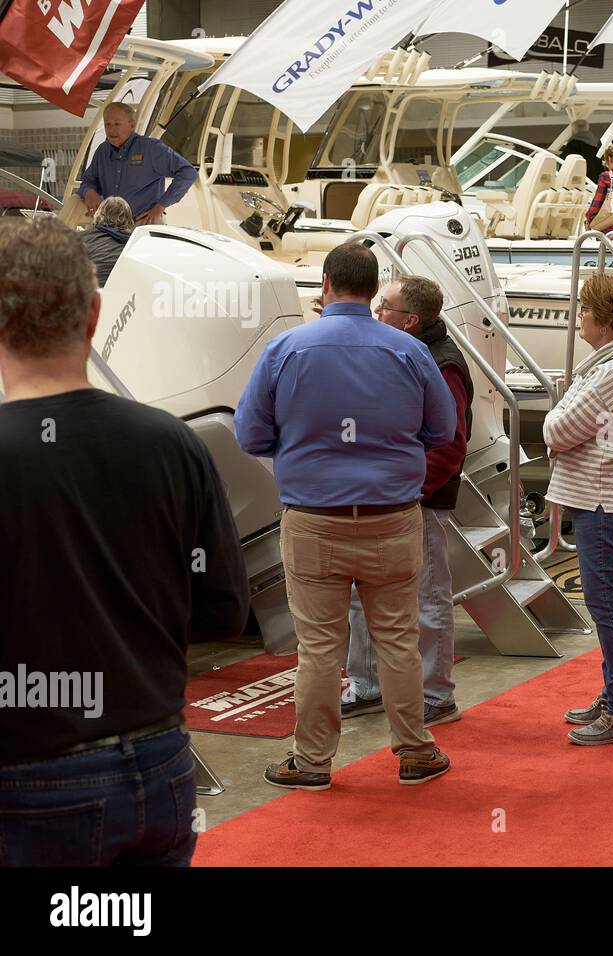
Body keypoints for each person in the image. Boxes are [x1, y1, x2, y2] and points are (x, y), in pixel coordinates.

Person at [0, 218, 248, 865]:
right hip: (162, 765)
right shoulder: (173, 443)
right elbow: (223, 608)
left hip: (30, 779)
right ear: (93, 314)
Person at [235, 242, 457, 789]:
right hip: (392, 518)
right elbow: (442, 430)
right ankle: (415, 751)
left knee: (318, 649)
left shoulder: (287, 349)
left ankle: (311, 761)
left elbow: (250, 434)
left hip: (314, 521)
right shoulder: (410, 351)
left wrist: (304, 447)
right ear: (375, 289)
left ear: (326, 284)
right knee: (398, 639)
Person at [341, 275, 472, 727]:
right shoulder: (400, 351)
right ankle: (368, 682)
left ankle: (437, 695)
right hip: (383, 495)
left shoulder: (444, 364)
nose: (376, 313)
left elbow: (451, 445)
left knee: (429, 596)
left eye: (385, 308)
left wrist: (413, 491)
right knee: (363, 591)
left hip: (419, 501)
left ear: (410, 320)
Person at [544, 273, 613, 746]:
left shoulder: (608, 372)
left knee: (606, 606)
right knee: (607, 604)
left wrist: (555, 412)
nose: (579, 317)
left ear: (606, 321)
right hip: (611, 496)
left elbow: (557, 429)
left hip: (604, 501)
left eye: (586, 310)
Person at [77, 102, 196, 225]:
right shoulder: (102, 151)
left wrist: (161, 205)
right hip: (112, 228)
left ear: (132, 125)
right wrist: (89, 191)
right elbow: (88, 181)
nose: (111, 129)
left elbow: (188, 172)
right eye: (107, 124)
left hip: (144, 224)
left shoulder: (151, 148)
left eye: (117, 124)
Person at [79, 195, 134, 286]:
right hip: (118, 296)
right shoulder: (135, 246)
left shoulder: (77, 239)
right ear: (129, 220)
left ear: (98, 215)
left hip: (84, 294)